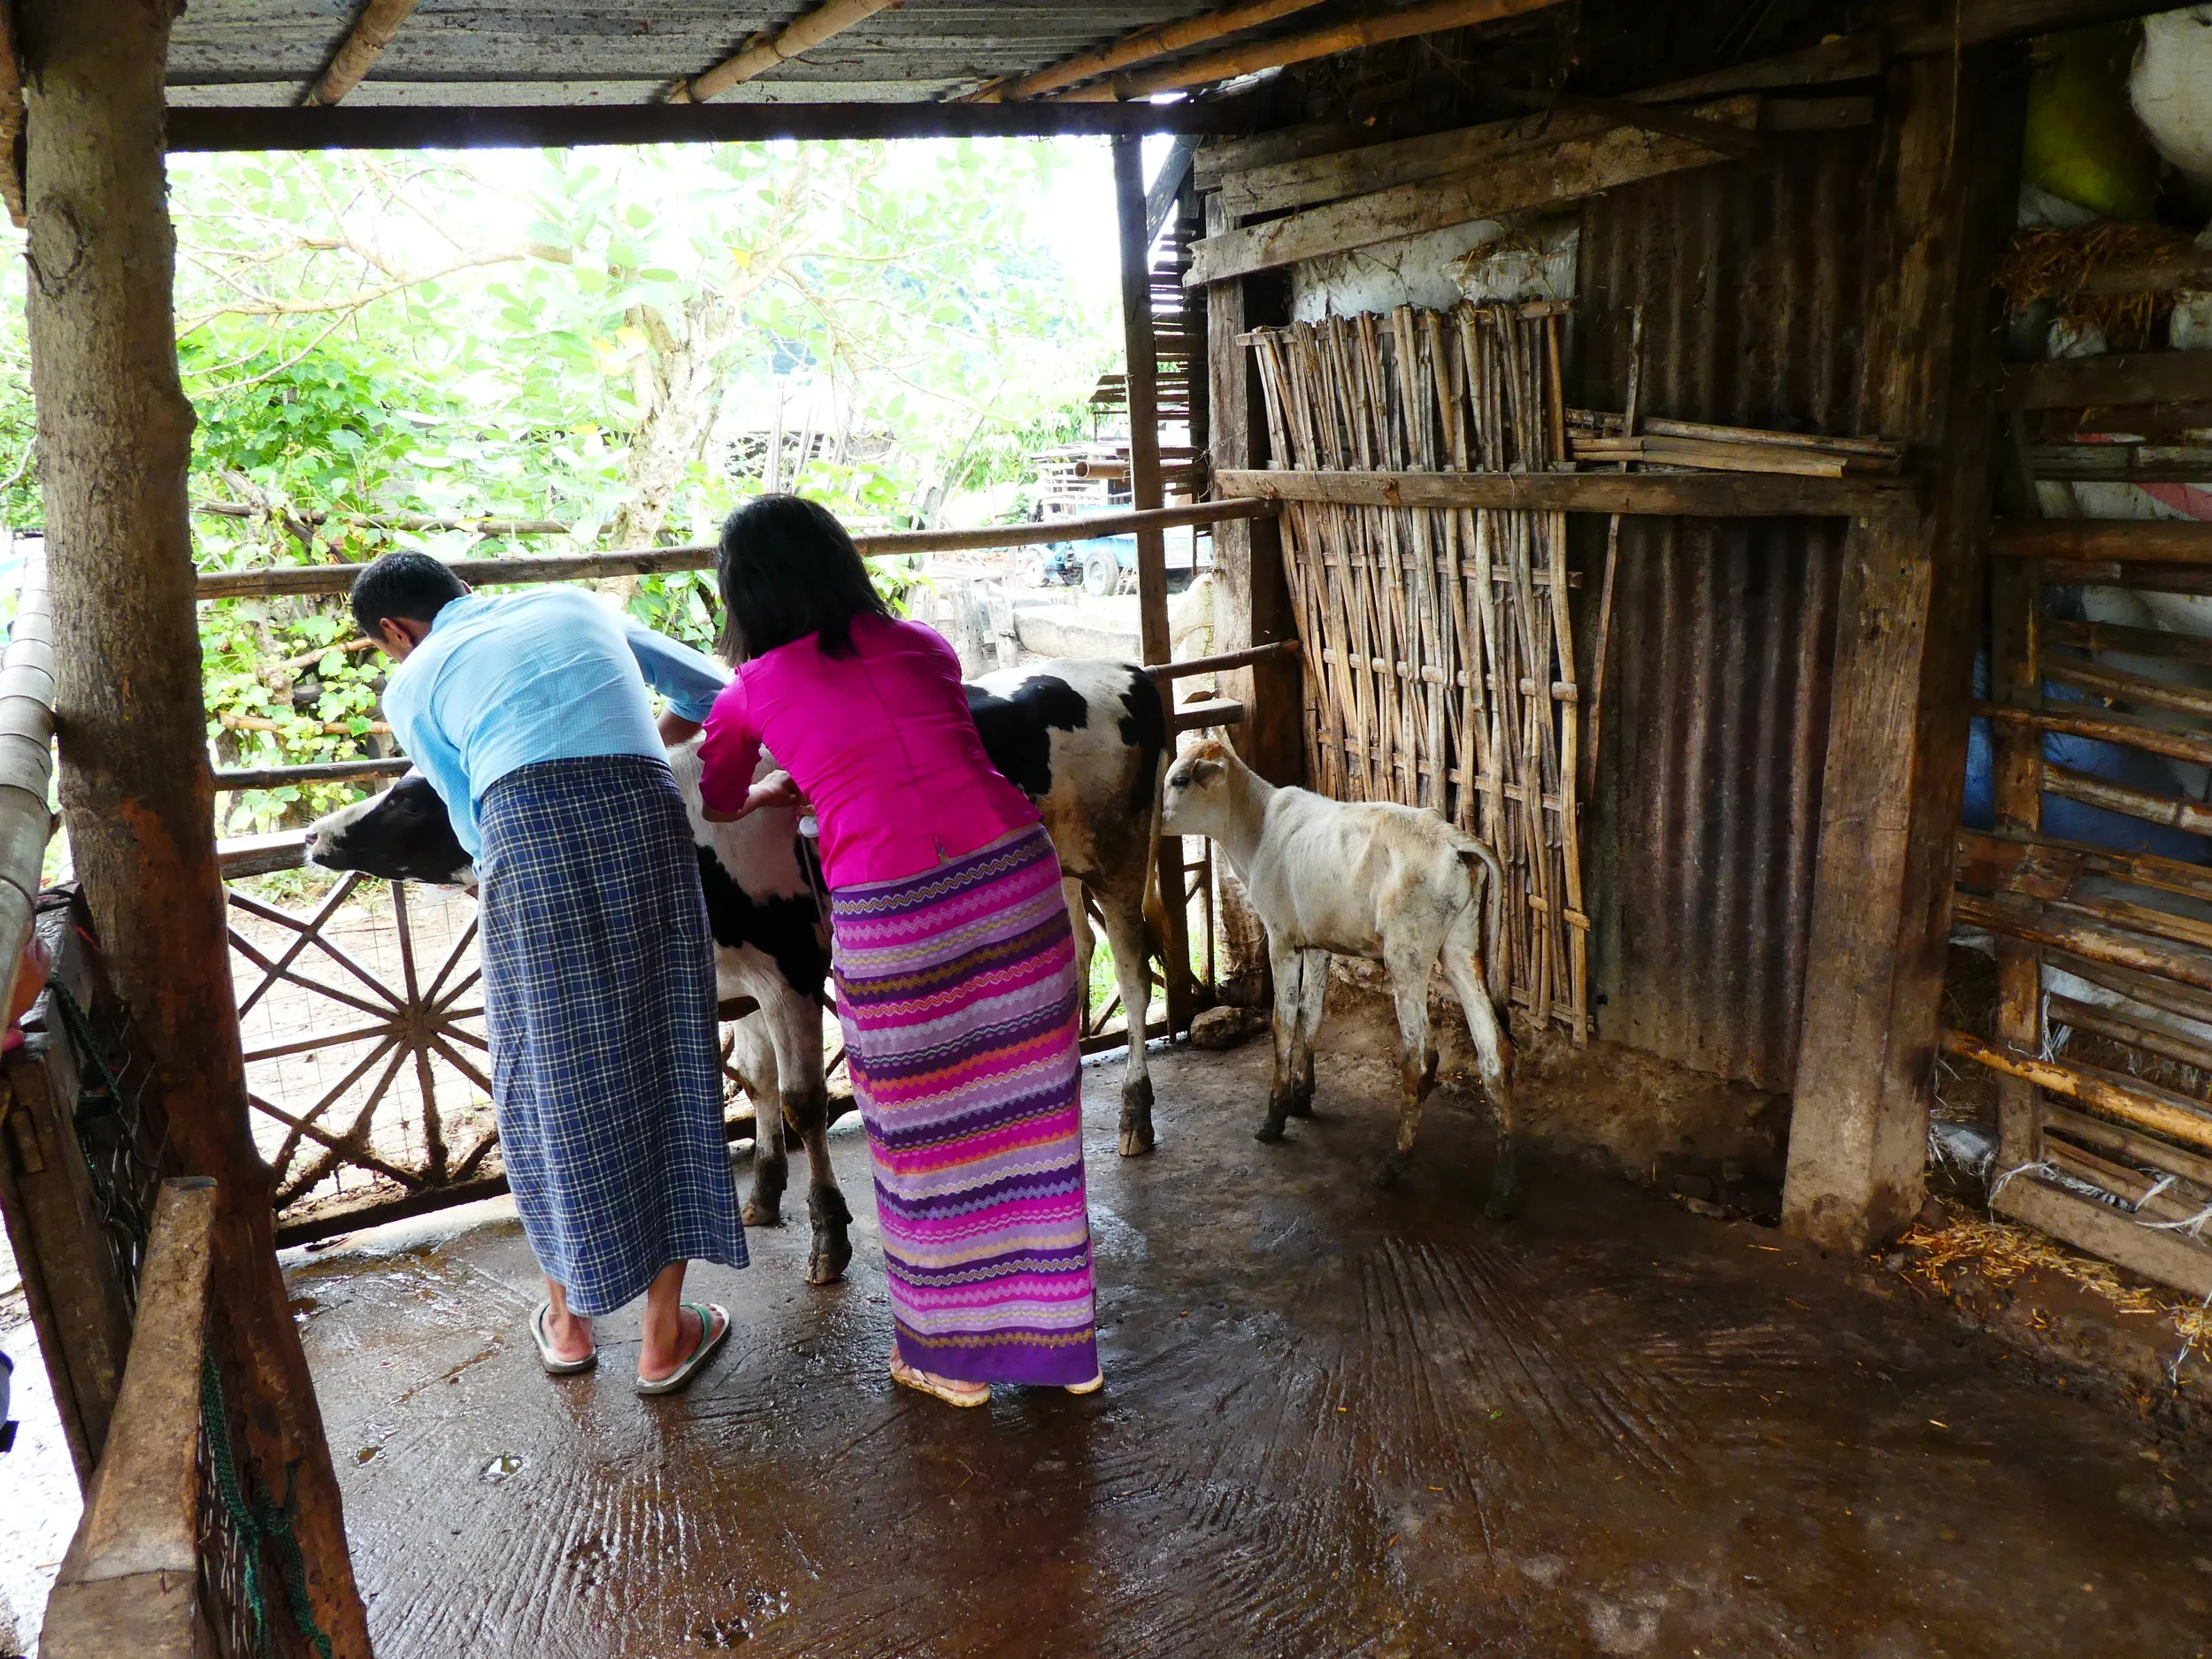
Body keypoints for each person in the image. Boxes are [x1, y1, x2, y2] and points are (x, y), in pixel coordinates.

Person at [696, 495, 1100, 1408]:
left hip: (896, 906)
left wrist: (776, 791)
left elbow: (718, 800)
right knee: (1032, 1111)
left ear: (744, 591)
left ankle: (950, 1361)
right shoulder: (924, 645)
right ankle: (1062, 1347)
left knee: (923, 1128)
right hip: (1014, 880)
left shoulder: (746, 693)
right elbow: (907, 741)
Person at [352, 551, 744, 1394]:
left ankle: (568, 1325)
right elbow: (715, 692)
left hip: (527, 839)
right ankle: (662, 1337)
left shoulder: (413, 679)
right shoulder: (575, 603)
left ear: (394, 631)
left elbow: (470, 817)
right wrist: (646, 746)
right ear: (463, 589)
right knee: (668, 1049)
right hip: (647, 821)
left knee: (542, 1069)